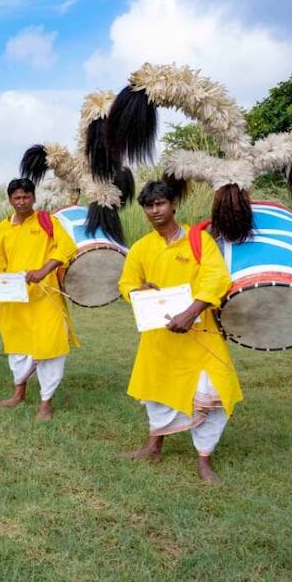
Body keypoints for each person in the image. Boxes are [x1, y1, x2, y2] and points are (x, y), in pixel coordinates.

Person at [118, 180, 242, 484]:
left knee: (211, 395)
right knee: (157, 392)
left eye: (160, 203)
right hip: (159, 336)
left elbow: (217, 279)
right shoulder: (141, 247)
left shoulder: (199, 241)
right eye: (149, 206)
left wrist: (191, 312)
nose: (155, 210)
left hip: (200, 335)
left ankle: (204, 459)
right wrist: (138, 291)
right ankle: (153, 447)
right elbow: (126, 283)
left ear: (174, 205)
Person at [0, 178, 78, 421]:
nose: (22, 201)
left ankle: (46, 403)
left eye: (26, 196)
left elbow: (66, 247)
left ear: (34, 198)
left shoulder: (47, 221)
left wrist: (43, 271)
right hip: (14, 298)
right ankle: (18, 394)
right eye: (17, 197)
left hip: (45, 296)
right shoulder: (4, 226)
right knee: (17, 346)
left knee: (50, 347)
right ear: (10, 200)